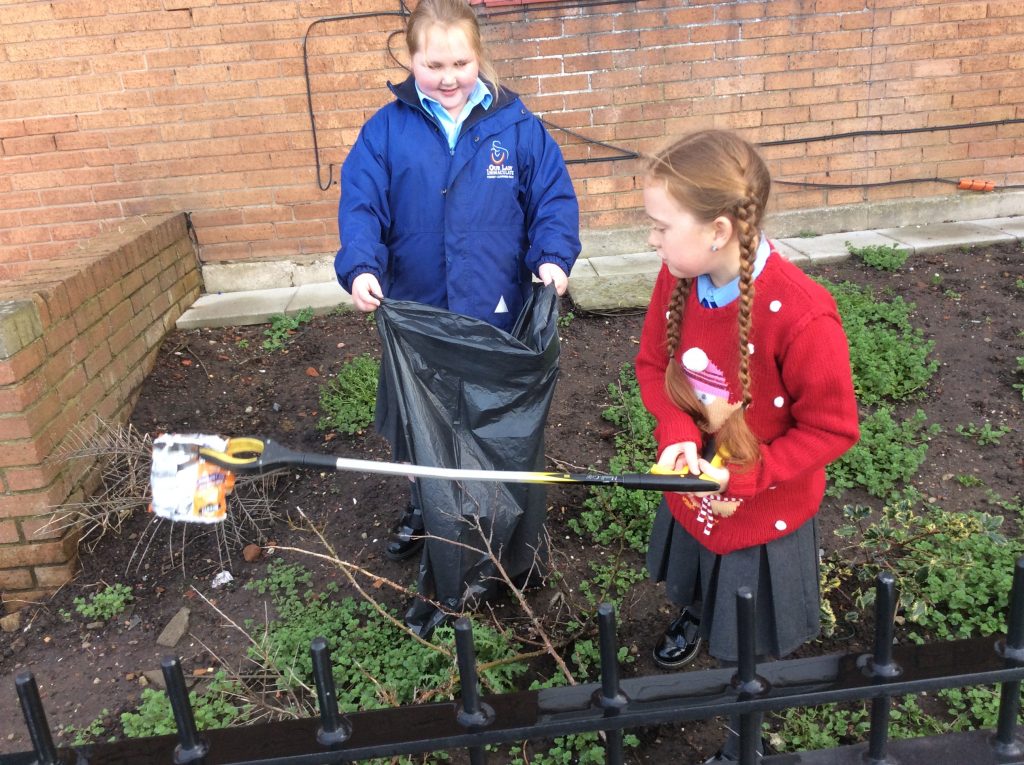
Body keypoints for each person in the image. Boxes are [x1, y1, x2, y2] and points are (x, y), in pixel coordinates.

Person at [634, 130, 859, 763]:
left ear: (719, 230)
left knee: (746, 636)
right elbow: (655, 364)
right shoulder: (680, 274)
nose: (651, 240)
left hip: (762, 507)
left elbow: (833, 428)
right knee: (701, 567)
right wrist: (679, 435)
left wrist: (748, 479)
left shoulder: (804, 315)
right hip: (696, 484)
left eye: (660, 225)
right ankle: (698, 611)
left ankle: (742, 740)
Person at [334, 0, 579, 566]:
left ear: (479, 58)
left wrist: (553, 257)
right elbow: (362, 206)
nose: (448, 79)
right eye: (433, 65)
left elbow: (552, 201)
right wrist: (362, 264)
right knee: (428, 414)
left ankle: (494, 508)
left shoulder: (516, 127)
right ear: (411, 60)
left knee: (486, 414)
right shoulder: (385, 132)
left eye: (460, 64)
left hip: (494, 308)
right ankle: (428, 502)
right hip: (419, 308)